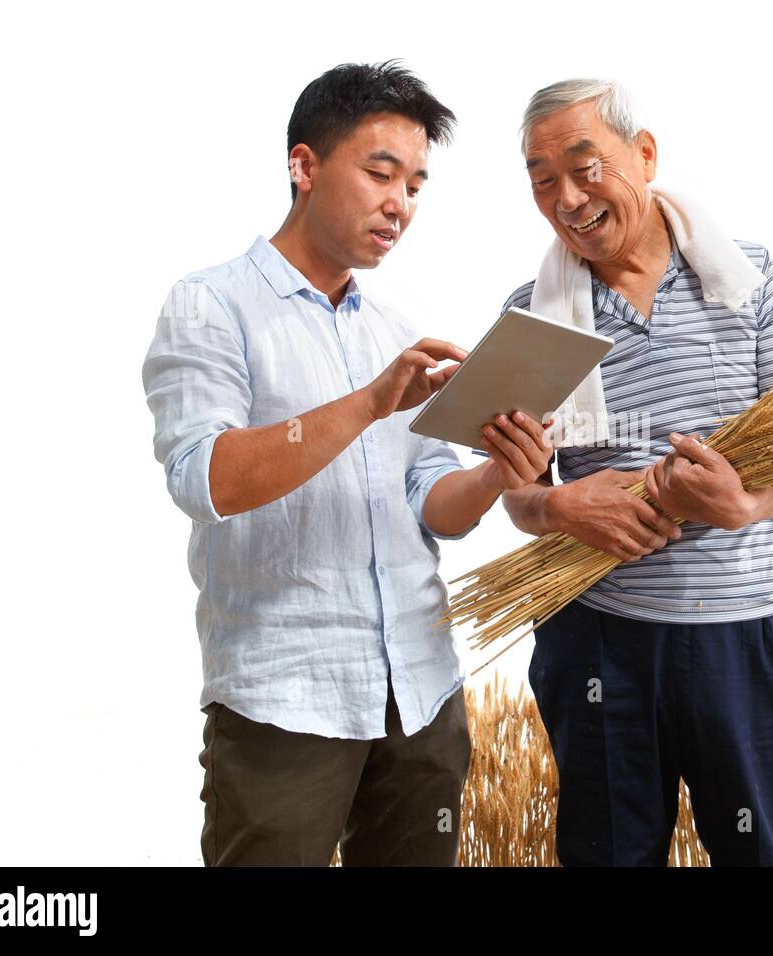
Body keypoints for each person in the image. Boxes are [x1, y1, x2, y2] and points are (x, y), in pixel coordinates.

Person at [141, 60, 552, 866]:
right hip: (284, 700)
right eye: (380, 173)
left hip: (422, 696)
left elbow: (431, 499)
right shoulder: (211, 305)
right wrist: (366, 404)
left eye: (417, 185)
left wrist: (499, 473)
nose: (400, 204)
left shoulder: (395, 326)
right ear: (303, 166)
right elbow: (205, 477)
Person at [499, 78, 773, 866]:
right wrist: (561, 507)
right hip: (598, 639)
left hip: (741, 632)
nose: (568, 199)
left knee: (761, 854)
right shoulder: (532, 319)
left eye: (585, 167)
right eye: (544, 182)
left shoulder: (754, 279)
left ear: (643, 155)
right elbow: (516, 493)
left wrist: (743, 505)